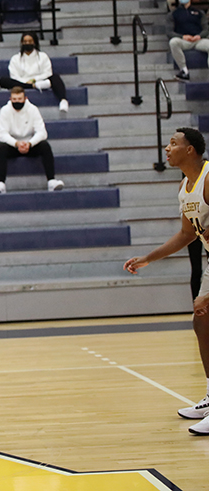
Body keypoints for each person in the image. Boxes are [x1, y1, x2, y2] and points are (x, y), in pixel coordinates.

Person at [124, 127, 209, 435]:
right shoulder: (186, 186)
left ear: (191, 150)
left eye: (174, 143)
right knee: (201, 321)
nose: (167, 148)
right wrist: (149, 258)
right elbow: (188, 234)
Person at [0, 87, 64, 194]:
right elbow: (2, 134)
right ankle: (1, 183)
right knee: (1, 148)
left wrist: (29, 144)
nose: (17, 102)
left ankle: (51, 181)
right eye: (14, 99)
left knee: (45, 146)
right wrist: (16, 143)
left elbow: (42, 132)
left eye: (19, 99)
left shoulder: (33, 109)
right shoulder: (5, 110)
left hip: (30, 145)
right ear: (10, 99)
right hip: (13, 146)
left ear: (25, 98)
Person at [0, 32, 69, 112]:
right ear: (22, 43)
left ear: (34, 42)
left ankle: (63, 101)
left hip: (40, 80)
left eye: (30, 41)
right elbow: (14, 76)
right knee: (3, 81)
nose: (27, 43)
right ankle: (36, 86)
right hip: (22, 82)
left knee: (55, 77)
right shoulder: (15, 58)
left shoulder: (43, 56)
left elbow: (48, 72)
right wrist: (30, 84)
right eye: (25, 41)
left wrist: (34, 80)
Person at [168, 0, 209, 81]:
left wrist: (199, 36)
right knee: (173, 42)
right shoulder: (173, 14)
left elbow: (206, 29)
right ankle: (184, 71)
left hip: (198, 40)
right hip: (183, 40)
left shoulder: (199, 13)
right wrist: (183, 37)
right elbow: (169, 32)